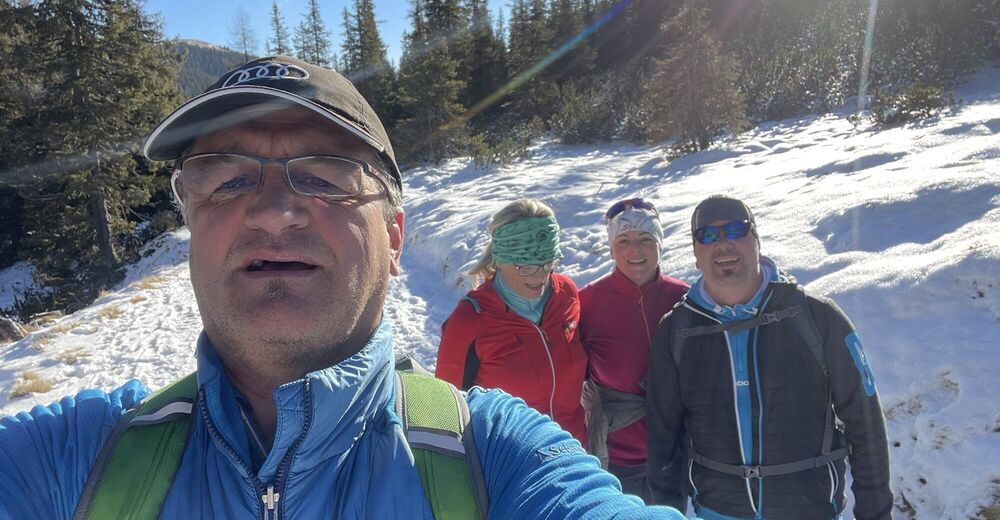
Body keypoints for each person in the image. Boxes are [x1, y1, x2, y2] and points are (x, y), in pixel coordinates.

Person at [0, 56, 688, 519]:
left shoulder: (499, 462)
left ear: (393, 239)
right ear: (190, 221)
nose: (273, 210)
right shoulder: (79, 460)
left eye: (327, 176)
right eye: (225, 177)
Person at [646, 195, 894, 520]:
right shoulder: (677, 330)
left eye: (736, 230)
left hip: (809, 509)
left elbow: (865, 424)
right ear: (696, 253)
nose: (723, 244)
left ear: (756, 241)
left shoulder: (817, 318)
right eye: (708, 236)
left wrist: (875, 514)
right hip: (718, 510)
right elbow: (664, 437)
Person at [435, 199, 588, 445]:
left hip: (574, 453)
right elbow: (445, 410)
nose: (541, 275)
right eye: (526, 265)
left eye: (548, 261)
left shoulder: (566, 294)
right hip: (509, 466)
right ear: (501, 259)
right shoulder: (470, 319)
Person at [578, 198, 688, 503]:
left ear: (660, 244)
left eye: (645, 239)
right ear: (612, 248)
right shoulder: (587, 302)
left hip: (673, 451)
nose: (634, 250)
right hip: (614, 456)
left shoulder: (684, 298)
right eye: (623, 240)